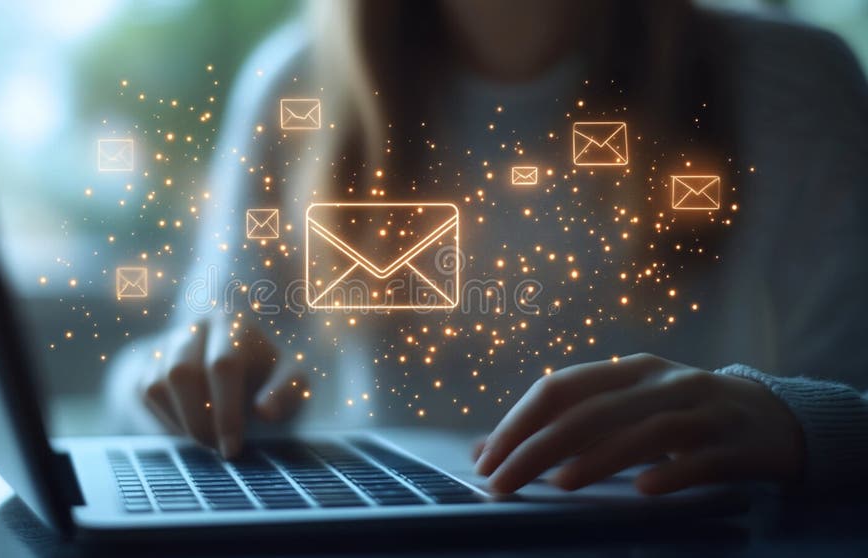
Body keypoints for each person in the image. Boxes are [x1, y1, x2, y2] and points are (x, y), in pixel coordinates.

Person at [105, 0, 868, 495]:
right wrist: (171, 382)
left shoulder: (790, 83)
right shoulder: (295, 81)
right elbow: (192, 354)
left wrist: (792, 421)